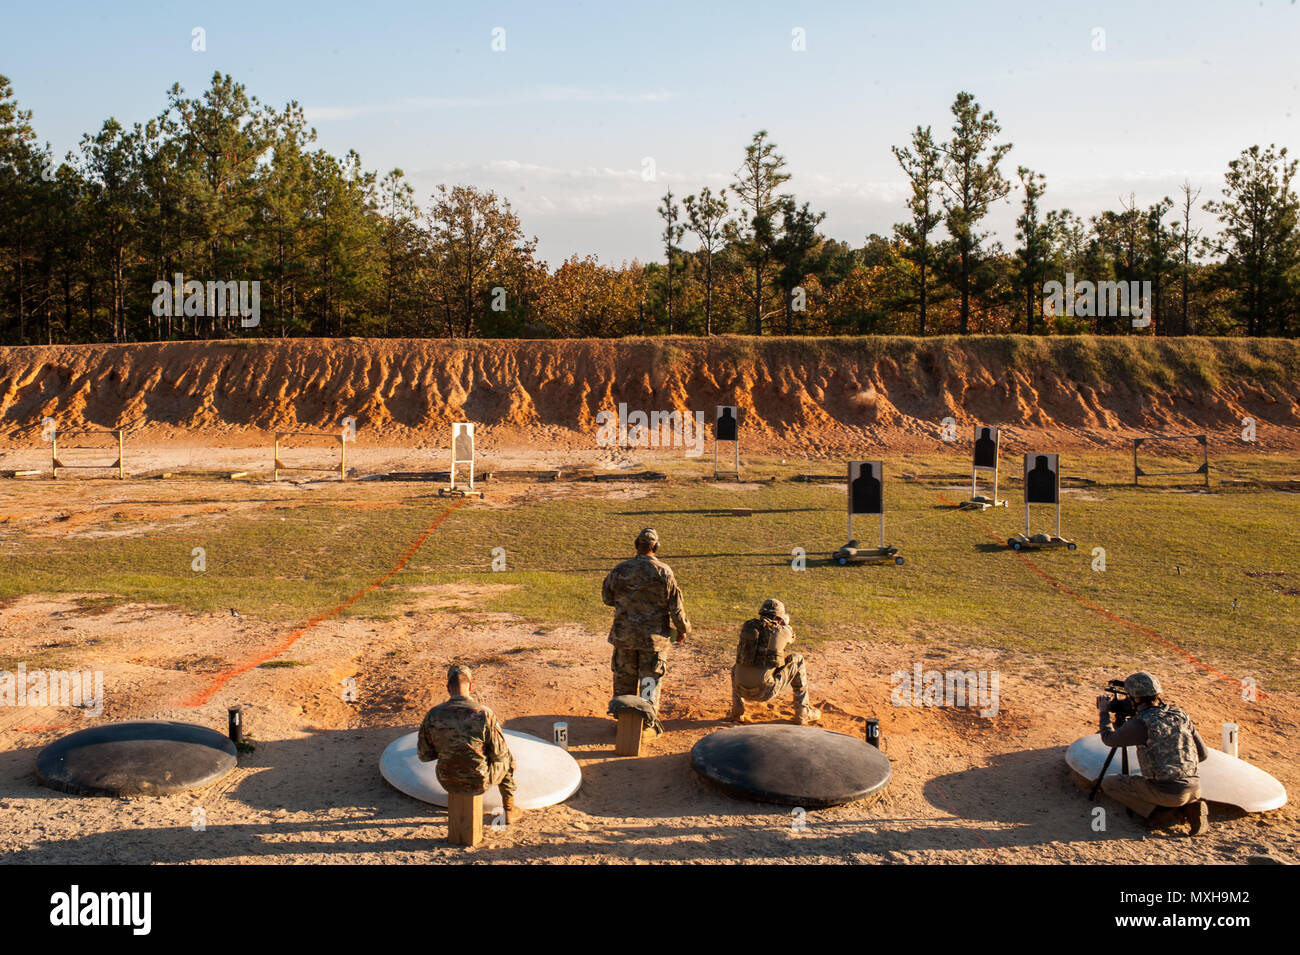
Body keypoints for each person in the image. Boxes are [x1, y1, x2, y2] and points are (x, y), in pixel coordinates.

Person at [1095, 671, 1210, 835]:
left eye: (1128, 697)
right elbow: (1203, 754)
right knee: (1167, 787)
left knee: (1110, 783)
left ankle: (1164, 814)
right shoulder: (1180, 715)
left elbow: (1109, 740)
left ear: (1136, 699)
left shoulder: (1142, 723)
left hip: (1167, 793)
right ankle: (1191, 806)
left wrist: (1104, 712)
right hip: (1195, 787)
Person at [601, 527, 691, 716]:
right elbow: (675, 607)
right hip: (653, 642)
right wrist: (683, 629)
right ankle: (646, 723)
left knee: (624, 683)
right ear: (656, 546)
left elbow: (607, 598)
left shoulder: (620, 570)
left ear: (636, 545)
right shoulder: (664, 572)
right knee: (649, 685)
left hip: (624, 637)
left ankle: (623, 721)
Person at [418, 664, 520, 822]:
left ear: (448, 688)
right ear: (470, 686)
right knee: (507, 758)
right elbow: (499, 755)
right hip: (479, 781)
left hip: (446, 780)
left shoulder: (433, 715)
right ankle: (509, 810)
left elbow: (424, 755)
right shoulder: (484, 714)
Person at [727, 598, 820, 725]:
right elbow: (792, 637)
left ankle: (737, 711)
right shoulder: (780, 630)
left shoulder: (747, 627)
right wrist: (785, 624)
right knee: (797, 660)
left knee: (739, 665)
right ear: (779, 618)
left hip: (739, 689)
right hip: (764, 691)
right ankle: (803, 712)